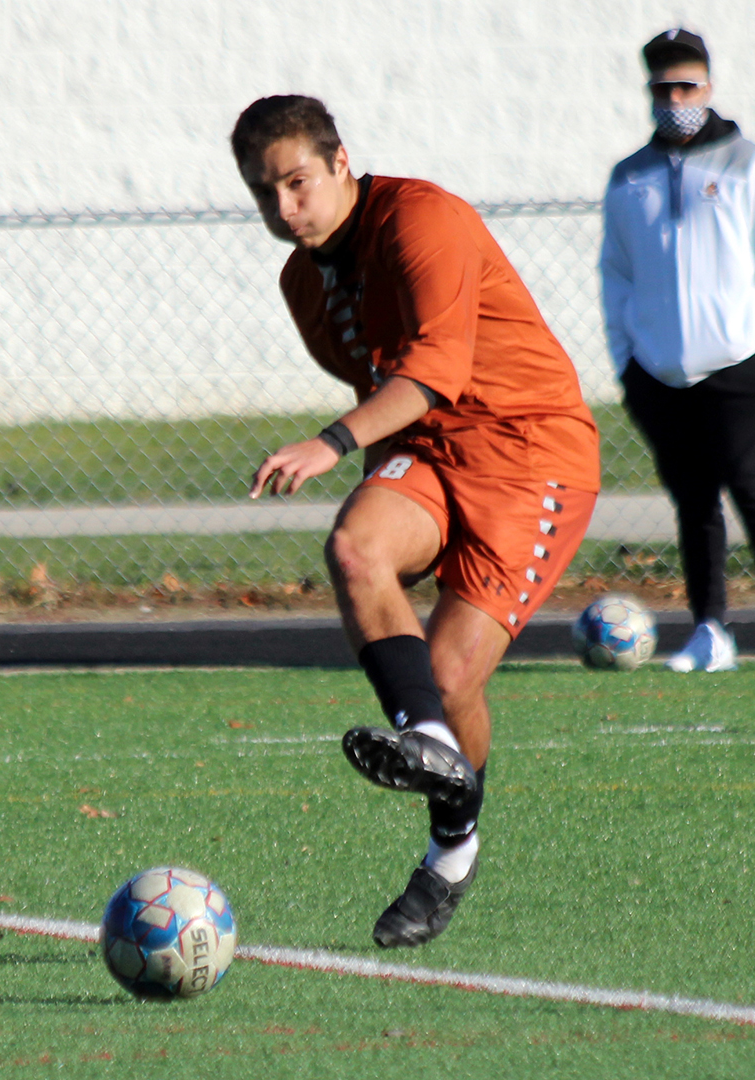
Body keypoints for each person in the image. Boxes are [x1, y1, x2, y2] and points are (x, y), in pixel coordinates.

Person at [234, 95, 600, 947]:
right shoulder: (303, 283)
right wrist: (370, 470)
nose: (285, 210)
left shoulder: (422, 218)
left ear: (340, 164)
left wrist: (331, 444)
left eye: (297, 184)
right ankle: (427, 737)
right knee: (356, 548)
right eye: (265, 195)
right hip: (429, 446)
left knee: (451, 672)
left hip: (530, 451)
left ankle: (450, 852)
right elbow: (383, 388)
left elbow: (432, 370)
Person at [601, 28, 755, 673]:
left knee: (752, 486)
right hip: (659, 374)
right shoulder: (628, 177)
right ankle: (710, 630)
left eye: (687, 86)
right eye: (664, 88)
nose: (676, 99)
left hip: (741, 362)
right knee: (693, 500)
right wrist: (626, 359)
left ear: (709, 86)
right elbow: (617, 274)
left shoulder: (753, 164)